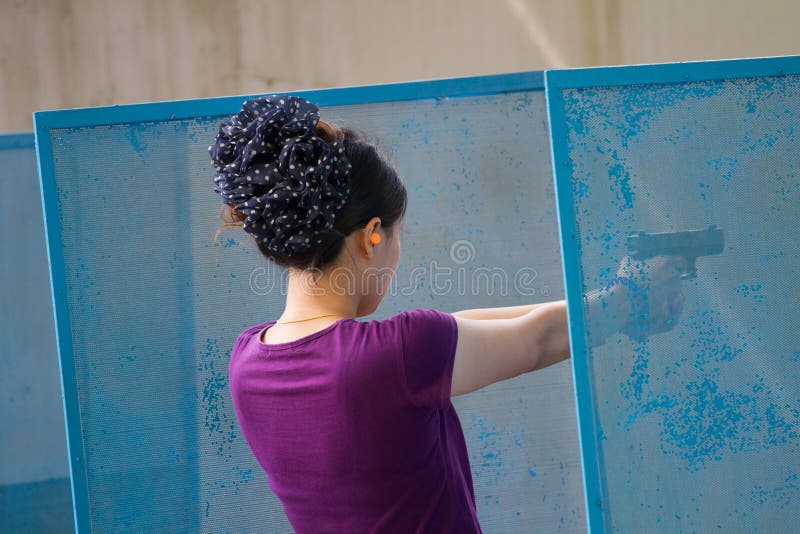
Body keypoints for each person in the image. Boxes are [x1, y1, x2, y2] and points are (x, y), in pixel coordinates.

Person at [210, 95, 686, 533]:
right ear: (371, 236)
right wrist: (630, 298)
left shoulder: (246, 363)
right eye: (397, 235)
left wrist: (608, 298)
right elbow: (535, 341)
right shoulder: (400, 355)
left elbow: (461, 329)